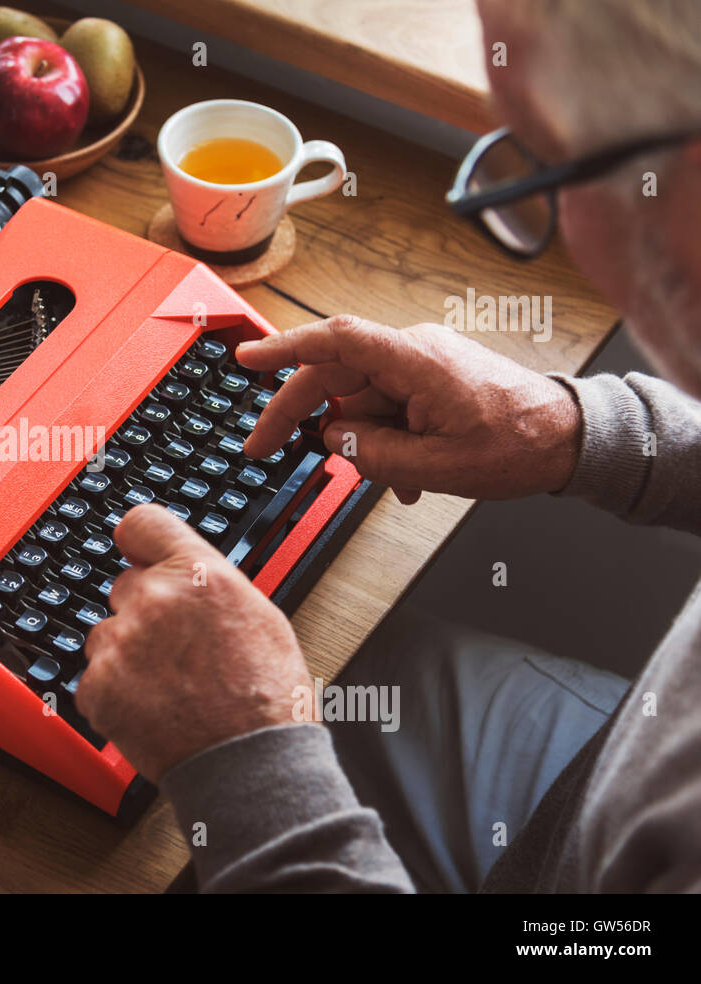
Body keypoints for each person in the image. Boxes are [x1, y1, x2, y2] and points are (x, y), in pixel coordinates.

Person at [74, 0, 701, 892]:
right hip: (611, 766)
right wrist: (576, 428)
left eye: (545, 163)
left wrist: (248, 758)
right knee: (380, 659)